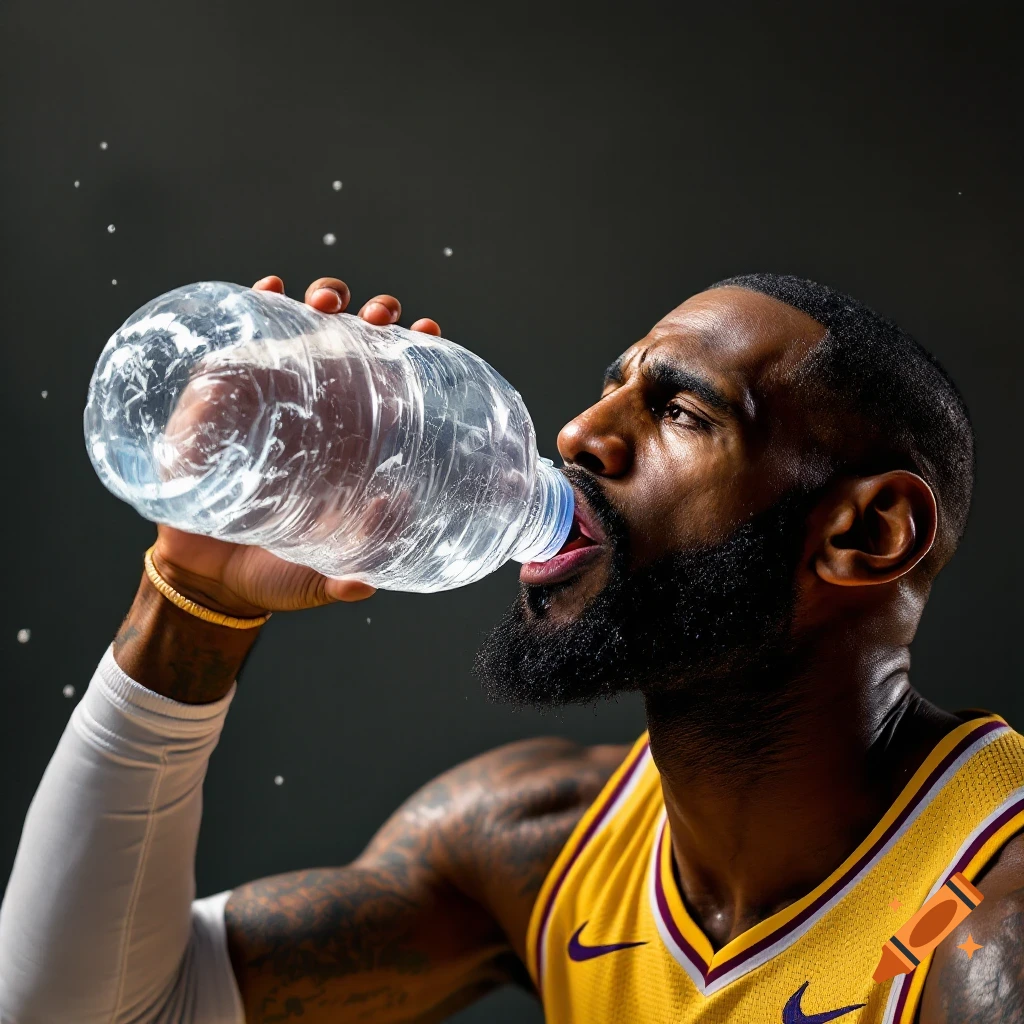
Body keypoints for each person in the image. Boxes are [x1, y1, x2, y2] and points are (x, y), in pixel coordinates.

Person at [1, 273, 1020, 1024]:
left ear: (865, 532)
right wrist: (195, 594)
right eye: (608, 389)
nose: (577, 434)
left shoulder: (990, 930)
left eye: (678, 410)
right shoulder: (532, 842)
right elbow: (79, 1011)